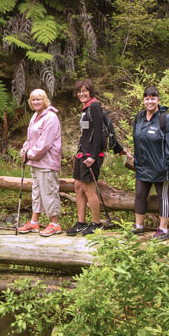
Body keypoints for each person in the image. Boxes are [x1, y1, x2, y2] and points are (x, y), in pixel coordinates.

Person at [132, 86, 169, 241]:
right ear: (143, 100)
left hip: (162, 168)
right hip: (143, 166)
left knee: (163, 197)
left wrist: (166, 164)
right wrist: (137, 161)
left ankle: (163, 229)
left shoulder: (166, 119)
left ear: (158, 100)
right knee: (140, 195)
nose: (150, 101)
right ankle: (139, 226)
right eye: (147, 98)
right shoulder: (139, 117)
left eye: (153, 98)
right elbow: (137, 140)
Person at [66, 79, 111, 236]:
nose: (81, 94)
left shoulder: (95, 106)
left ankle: (96, 224)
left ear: (90, 91)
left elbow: (98, 132)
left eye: (84, 91)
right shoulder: (86, 109)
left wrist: (93, 156)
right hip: (82, 153)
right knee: (78, 188)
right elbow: (86, 133)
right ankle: (81, 223)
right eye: (79, 91)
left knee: (89, 189)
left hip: (91, 155)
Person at [17, 89, 63, 237]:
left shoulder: (51, 117)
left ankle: (55, 224)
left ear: (45, 100)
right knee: (36, 193)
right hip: (35, 162)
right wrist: (24, 150)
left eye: (39, 99)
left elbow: (45, 143)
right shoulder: (35, 116)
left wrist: (29, 154)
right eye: (33, 99)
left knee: (49, 192)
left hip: (47, 162)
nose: (36, 102)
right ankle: (34, 222)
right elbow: (30, 139)